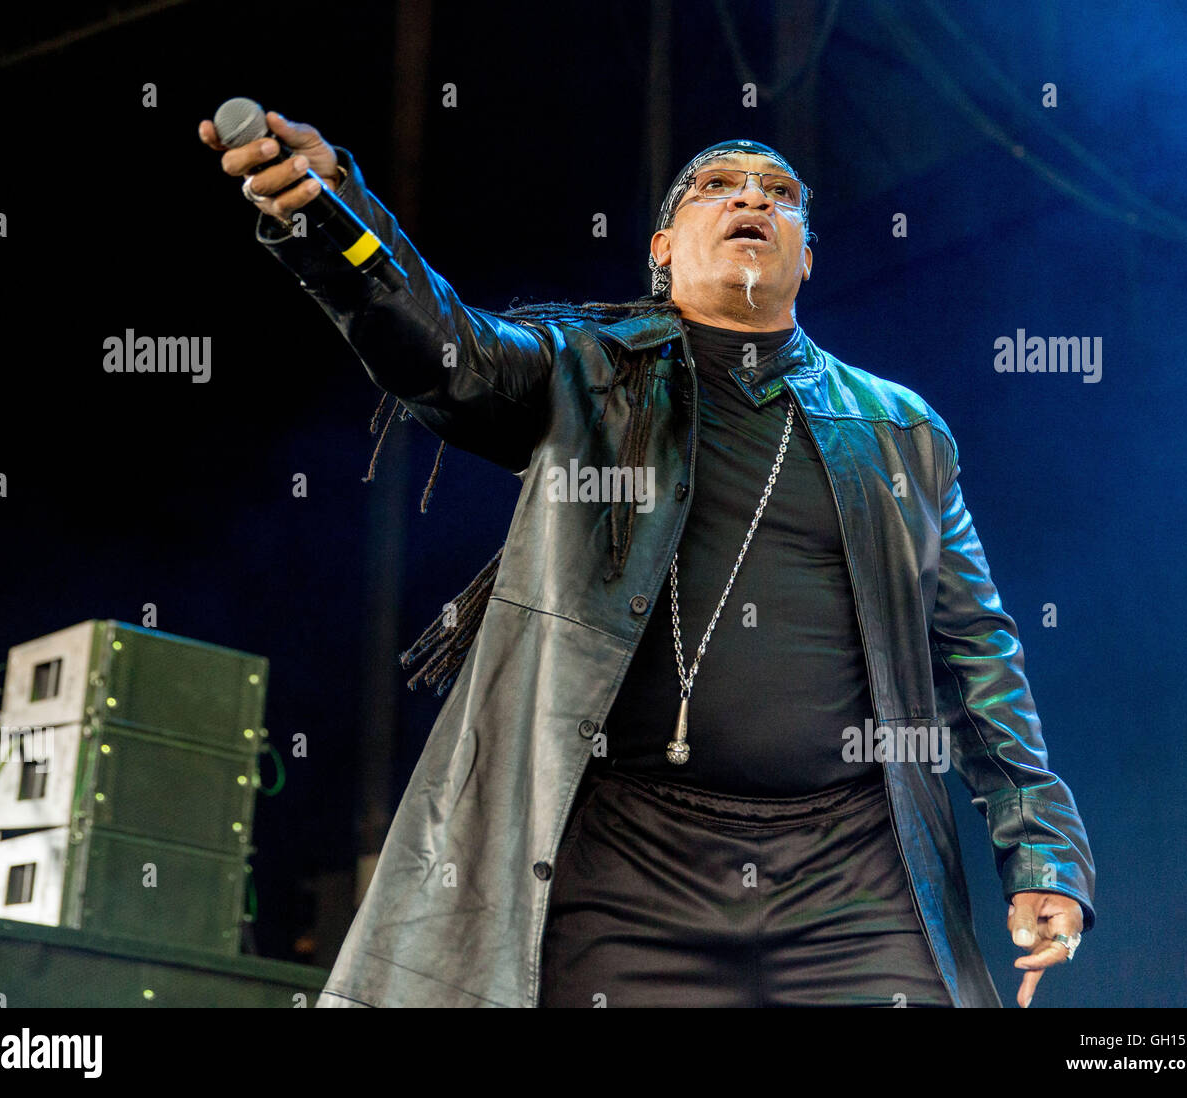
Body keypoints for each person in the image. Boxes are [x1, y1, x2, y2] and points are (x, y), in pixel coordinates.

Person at [199, 110, 1096, 1008]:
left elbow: (977, 652)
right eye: (720, 186)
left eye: (782, 195)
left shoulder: (899, 430)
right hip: (629, 862)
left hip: (851, 870)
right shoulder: (585, 373)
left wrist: (1043, 848)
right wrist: (331, 215)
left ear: (807, 257)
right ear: (662, 248)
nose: (753, 197)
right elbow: (444, 354)